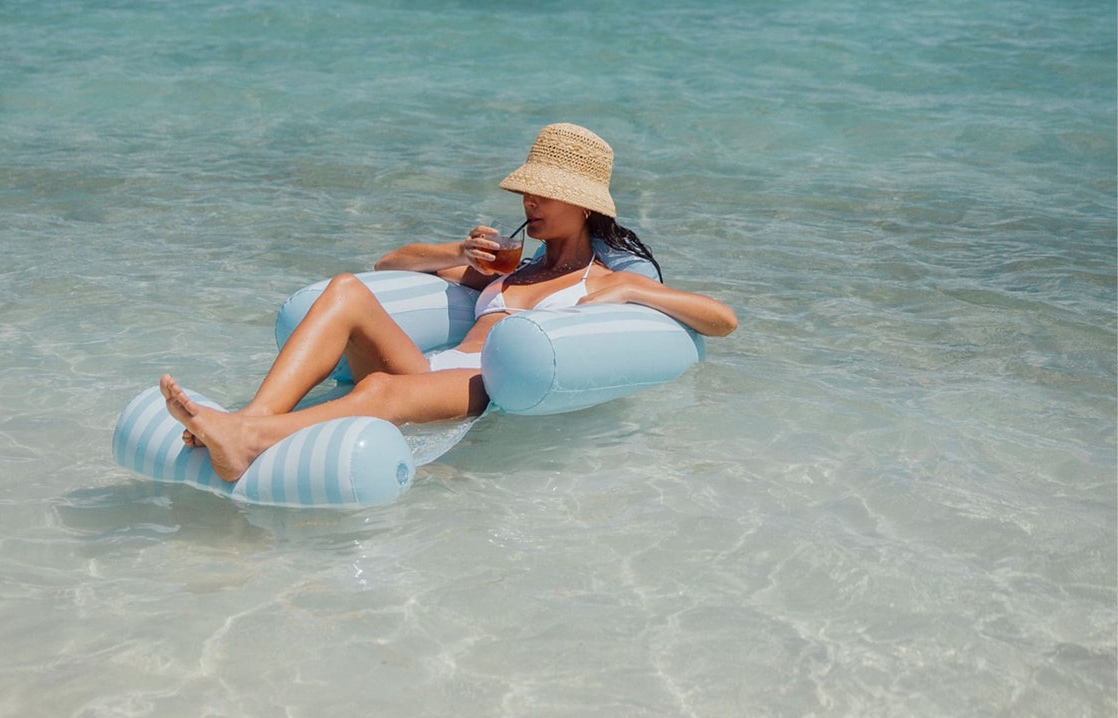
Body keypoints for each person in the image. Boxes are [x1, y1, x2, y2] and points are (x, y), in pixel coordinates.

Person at [160, 123, 736, 481]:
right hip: (435, 371)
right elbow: (389, 264)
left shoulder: (605, 281)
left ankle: (251, 440)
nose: (530, 203)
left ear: (584, 206)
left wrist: (637, 288)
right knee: (344, 288)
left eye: (547, 195)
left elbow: (723, 320)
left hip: (483, 390)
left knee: (378, 390)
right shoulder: (515, 270)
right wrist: (458, 251)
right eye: (527, 192)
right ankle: (251, 421)